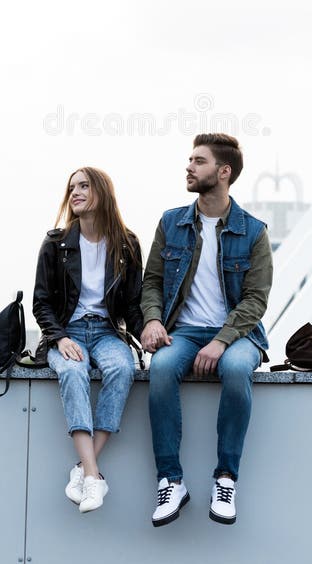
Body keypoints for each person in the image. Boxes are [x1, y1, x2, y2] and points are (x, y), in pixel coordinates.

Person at [141, 134, 273, 527]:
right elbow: (152, 281)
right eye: (190, 160)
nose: (189, 167)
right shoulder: (171, 222)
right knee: (161, 368)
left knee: (234, 369)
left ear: (224, 172)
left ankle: (225, 478)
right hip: (183, 331)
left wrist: (221, 341)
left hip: (237, 334)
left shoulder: (253, 231)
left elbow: (255, 300)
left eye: (199, 161)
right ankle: (170, 480)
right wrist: (151, 319)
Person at [33, 166, 143, 513]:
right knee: (73, 372)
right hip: (69, 331)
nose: (75, 193)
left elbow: (132, 305)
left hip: (109, 332)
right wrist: (60, 337)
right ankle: (95, 478)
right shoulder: (56, 244)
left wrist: (152, 334)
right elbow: (42, 302)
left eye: (83, 186)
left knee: (122, 369)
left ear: (102, 192)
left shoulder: (127, 244)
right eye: (72, 188)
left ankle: (84, 469)